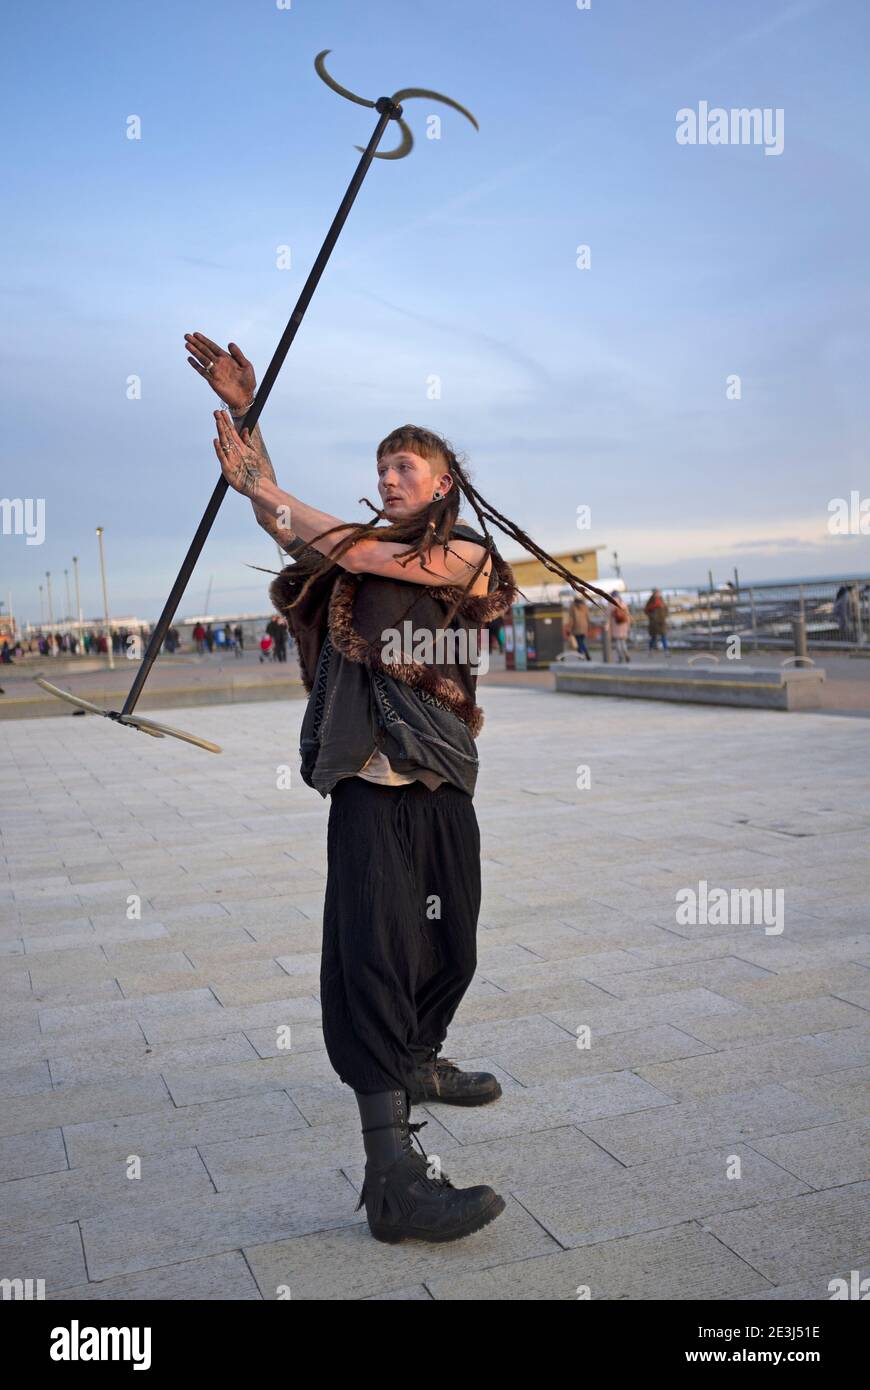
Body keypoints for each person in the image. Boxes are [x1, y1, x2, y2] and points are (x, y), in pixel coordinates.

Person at [184, 330, 617, 1245]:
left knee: (450, 942)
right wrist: (249, 426)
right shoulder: (354, 554)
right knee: (373, 957)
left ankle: (421, 1059)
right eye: (380, 468)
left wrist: (271, 491)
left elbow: (366, 554)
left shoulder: (464, 558)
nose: (387, 480)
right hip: (370, 786)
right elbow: (292, 529)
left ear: (443, 483)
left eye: (404, 467)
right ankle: (393, 1177)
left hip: (441, 781)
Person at [609, 591, 631, 662]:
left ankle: (620, 657)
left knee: (617, 642)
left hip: (615, 625)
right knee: (623, 642)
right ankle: (626, 654)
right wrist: (628, 625)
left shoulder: (611, 604)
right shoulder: (623, 604)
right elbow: (628, 616)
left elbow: (607, 616)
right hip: (624, 625)